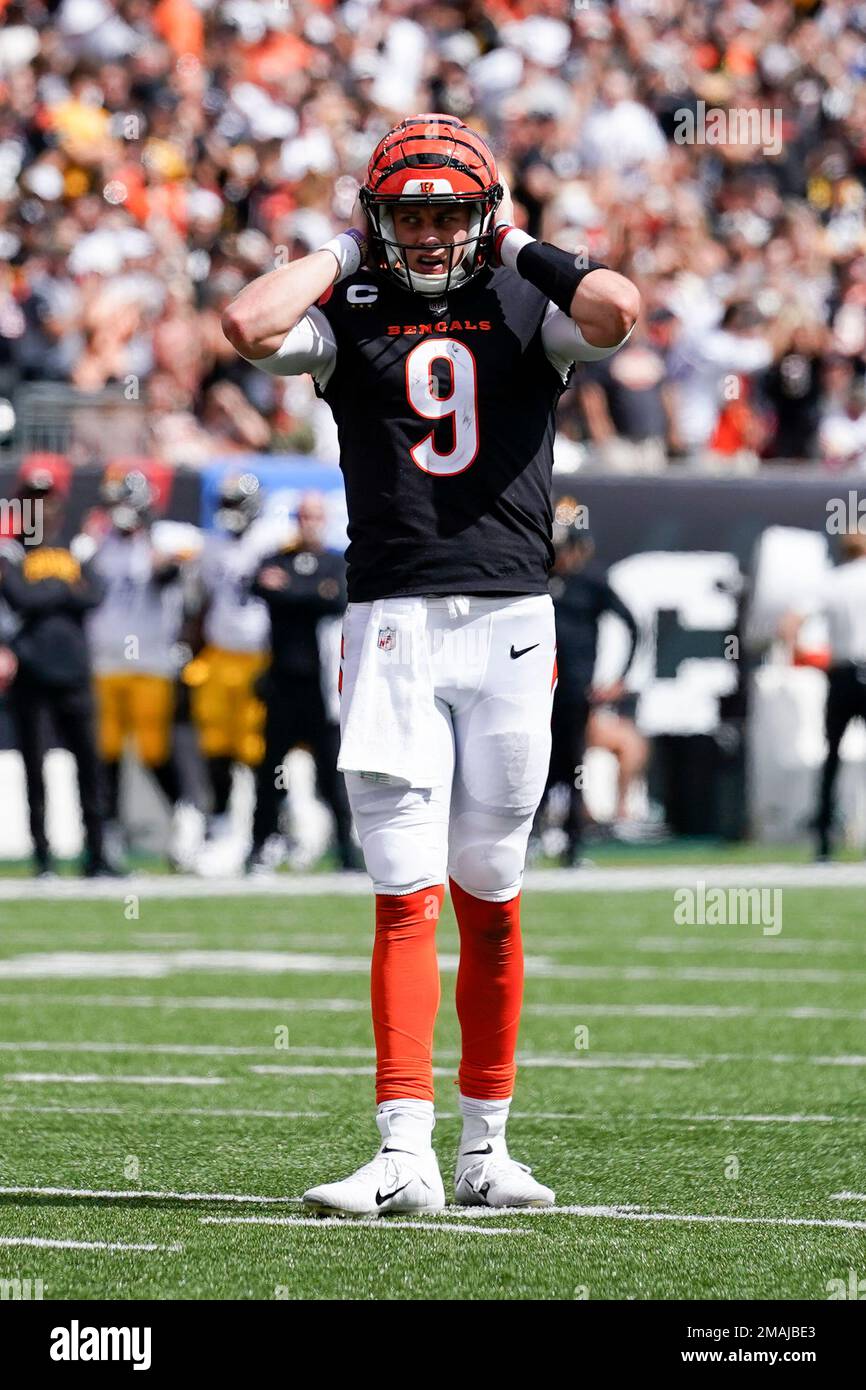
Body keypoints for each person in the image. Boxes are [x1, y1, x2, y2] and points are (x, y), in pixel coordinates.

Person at [223, 113, 639, 1215]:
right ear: (376, 217)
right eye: (406, 211)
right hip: (393, 623)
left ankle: (485, 1149)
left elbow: (619, 309)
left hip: (508, 622)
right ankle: (402, 1151)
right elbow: (245, 323)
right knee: (402, 893)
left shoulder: (521, 298)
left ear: (480, 214)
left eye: (446, 210)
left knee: (490, 892)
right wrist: (343, 254)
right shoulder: (353, 306)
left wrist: (514, 244)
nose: (427, 231)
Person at [0, 468, 113, 877]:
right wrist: (65, 589)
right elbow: (20, 597)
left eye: (47, 499)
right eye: (33, 498)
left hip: (75, 672)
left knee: (90, 765)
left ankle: (97, 855)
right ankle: (43, 857)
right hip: (32, 674)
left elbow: (95, 595)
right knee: (36, 769)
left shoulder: (77, 547)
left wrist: (53, 591)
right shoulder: (12, 551)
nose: (41, 509)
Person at [83, 468, 193, 870]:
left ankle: (186, 818)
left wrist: (146, 532)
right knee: (106, 751)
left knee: (153, 750)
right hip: (105, 661)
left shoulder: (164, 538)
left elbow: (174, 568)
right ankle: (107, 834)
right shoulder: (96, 540)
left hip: (150, 661)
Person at [246, 491, 355, 874]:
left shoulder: (334, 562)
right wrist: (306, 593)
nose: (309, 523)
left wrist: (289, 590)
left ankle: (346, 851)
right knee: (271, 772)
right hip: (282, 683)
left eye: (315, 517)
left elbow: (336, 598)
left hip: (322, 686)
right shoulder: (277, 558)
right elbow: (258, 588)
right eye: (303, 516)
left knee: (334, 773)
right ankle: (260, 847)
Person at [531, 520, 639, 865]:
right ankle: (529, 841)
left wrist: (619, 677)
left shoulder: (591, 584)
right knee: (535, 767)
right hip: (537, 691)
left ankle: (573, 846)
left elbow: (633, 626)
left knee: (573, 765)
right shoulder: (538, 582)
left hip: (576, 692)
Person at [186, 473, 272, 845]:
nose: (230, 512)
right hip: (220, 656)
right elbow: (201, 601)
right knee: (216, 744)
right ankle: (220, 820)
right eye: (226, 504)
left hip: (261, 656)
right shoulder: (211, 546)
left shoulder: (273, 541)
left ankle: (270, 825)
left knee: (258, 747)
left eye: (236, 504)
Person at [780, 531, 866, 860]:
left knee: (831, 759)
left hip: (842, 674)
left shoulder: (832, 581)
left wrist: (799, 653)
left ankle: (824, 844)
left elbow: (789, 622)